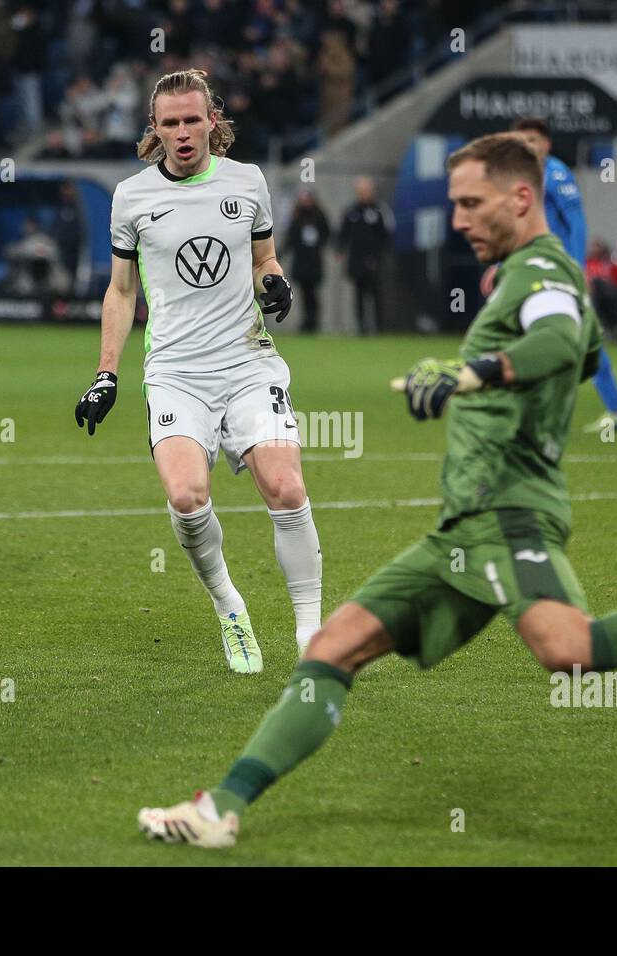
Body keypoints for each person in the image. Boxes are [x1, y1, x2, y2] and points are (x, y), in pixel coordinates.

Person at [136, 132, 617, 849]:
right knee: (334, 649)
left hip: (509, 514)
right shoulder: (531, 281)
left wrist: (472, 373)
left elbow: (561, 341)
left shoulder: (544, 275)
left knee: (571, 650)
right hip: (460, 530)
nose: (459, 219)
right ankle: (222, 810)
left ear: (520, 200)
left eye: (472, 204)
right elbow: (576, 344)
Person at [73, 69, 322, 674]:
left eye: (193, 119)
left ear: (213, 120)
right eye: (170, 123)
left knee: (286, 487)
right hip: (177, 373)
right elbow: (120, 290)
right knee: (187, 497)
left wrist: (275, 283)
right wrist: (106, 372)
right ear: (154, 130)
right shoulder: (132, 196)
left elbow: (264, 256)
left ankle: (312, 633)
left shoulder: (248, 181)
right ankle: (229, 606)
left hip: (247, 361)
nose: (183, 133)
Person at [512, 118, 617, 433]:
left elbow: (576, 221)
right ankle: (616, 411)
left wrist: (576, 263)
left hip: (559, 271)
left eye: (532, 140)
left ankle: (612, 411)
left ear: (546, 144)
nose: (527, 145)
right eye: (521, 140)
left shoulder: (555, 173)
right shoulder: (518, 177)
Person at [337, 176, 392, 334]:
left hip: (374, 260)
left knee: (375, 294)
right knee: (359, 295)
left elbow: (386, 235)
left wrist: (378, 254)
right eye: (361, 191)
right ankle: (362, 328)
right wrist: (340, 250)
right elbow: (343, 234)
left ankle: (379, 327)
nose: (363, 194)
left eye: (366, 191)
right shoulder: (351, 212)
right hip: (356, 261)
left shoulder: (380, 211)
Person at [285, 189, 331, 333]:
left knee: (313, 293)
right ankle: (306, 321)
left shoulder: (319, 217)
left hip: (314, 261)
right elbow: (290, 239)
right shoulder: (297, 218)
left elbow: (327, 234)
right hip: (301, 261)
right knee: (304, 293)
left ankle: (313, 321)